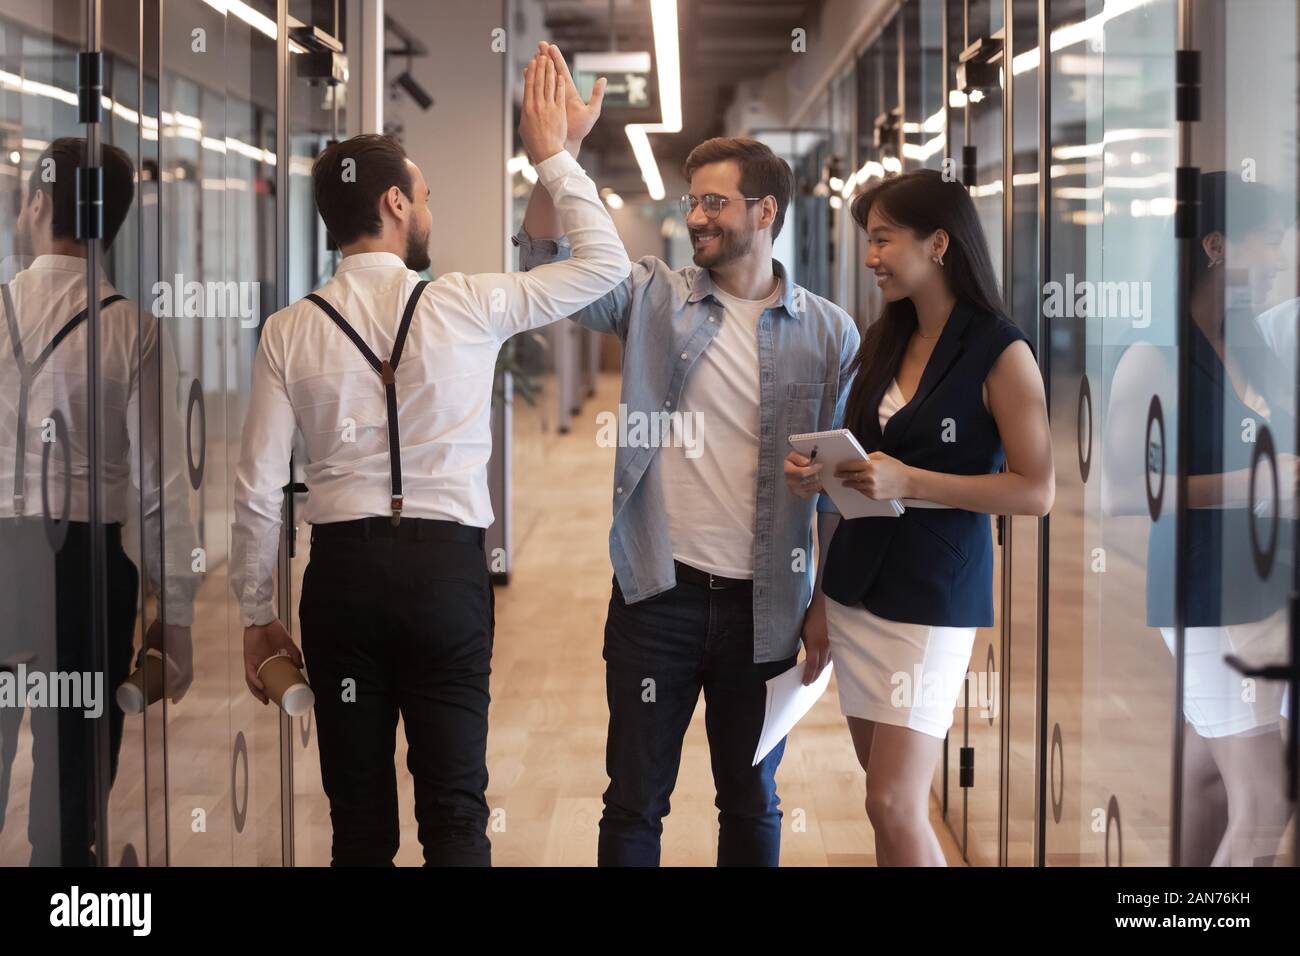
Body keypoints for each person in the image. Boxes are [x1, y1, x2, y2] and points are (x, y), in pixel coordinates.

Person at [229, 50, 629, 866]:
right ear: (394, 202)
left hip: (341, 581)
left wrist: (255, 611)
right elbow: (605, 267)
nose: (431, 211)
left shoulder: (287, 328)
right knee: (454, 812)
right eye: (426, 196)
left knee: (359, 821)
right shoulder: (468, 302)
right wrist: (555, 154)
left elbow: (257, 490)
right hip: (446, 574)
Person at [515, 42, 858, 867]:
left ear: (766, 212)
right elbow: (541, 265)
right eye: (692, 201)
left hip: (769, 608)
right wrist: (551, 160)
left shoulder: (828, 332)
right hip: (655, 595)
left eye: (715, 202)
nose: (697, 217)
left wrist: (826, 610)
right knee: (633, 803)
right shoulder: (652, 297)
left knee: (751, 801)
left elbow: (845, 488)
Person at [785, 169, 1053, 866]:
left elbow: (1036, 490)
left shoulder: (1000, 350)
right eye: (867, 241)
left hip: (931, 600)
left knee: (893, 803)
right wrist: (821, 481)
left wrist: (911, 480)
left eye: (883, 239)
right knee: (884, 805)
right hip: (856, 593)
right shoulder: (882, 340)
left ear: (938, 242)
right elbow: (862, 480)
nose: (870, 256)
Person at [0, 137, 196, 865]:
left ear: (41, 204)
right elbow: (161, 492)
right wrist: (174, 616)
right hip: (84, 575)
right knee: (70, 791)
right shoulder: (133, 331)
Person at [1103, 171, 1296, 866]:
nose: (1278, 261)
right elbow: (1126, 492)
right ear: (1216, 245)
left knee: (1211, 775)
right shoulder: (1154, 354)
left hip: (1260, 590)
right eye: (1269, 243)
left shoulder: (1251, 346)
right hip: (1205, 594)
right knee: (1265, 801)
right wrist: (1263, 483)